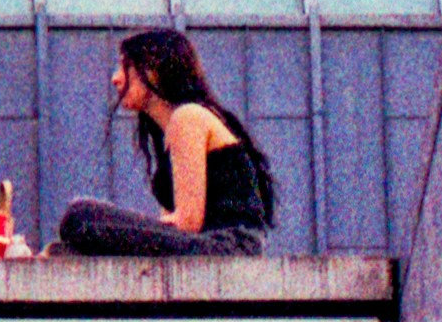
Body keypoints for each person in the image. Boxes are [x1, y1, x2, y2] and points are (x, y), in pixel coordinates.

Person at [53, 27, 276, 256]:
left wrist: (128, 231)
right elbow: (173, 227)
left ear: (152, 72)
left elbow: (187, 223)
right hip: (212, 244)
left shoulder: (188, 117)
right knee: (67, 250)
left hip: (227, 245)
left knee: (81, 216)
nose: (115, 79)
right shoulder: (169, 132)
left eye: (125, 67)